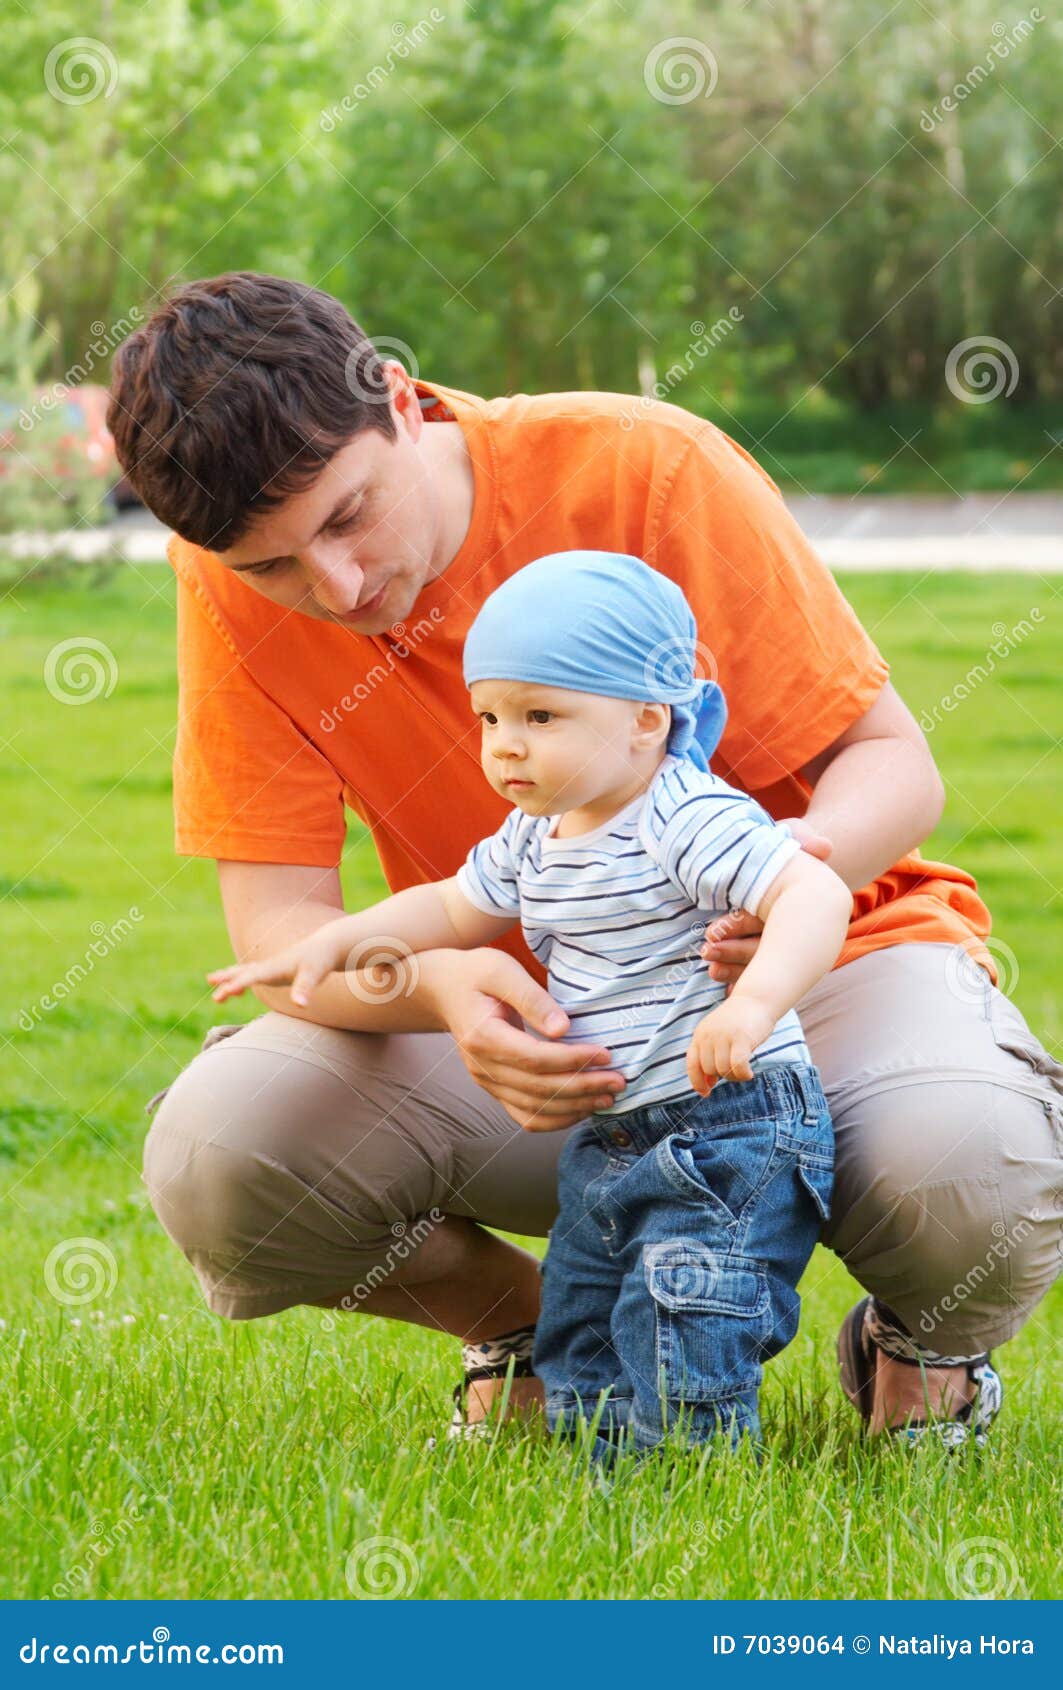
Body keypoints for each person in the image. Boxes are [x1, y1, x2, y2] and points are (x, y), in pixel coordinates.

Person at [106, 272, 1063, 1447]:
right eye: (272, 568)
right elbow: (281, 935)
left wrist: (787, 878)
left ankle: (921, 1352)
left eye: (347, 517)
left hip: (819, 976)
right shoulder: (221, 585)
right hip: (545, 1032)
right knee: (224, 1153)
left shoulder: (643, 468)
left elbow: (895, 766)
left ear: (400, 403)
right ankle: (546, 1334)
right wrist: (440, 986)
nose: (335, 589)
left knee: (973, 1165)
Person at [206, 551, 851, 1455]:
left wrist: (752, 1005)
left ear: (643, 719)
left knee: (687, 1307)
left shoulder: (683, 813)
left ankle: (691, 1479)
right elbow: (445, 909)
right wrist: (331, 940)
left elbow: (814, 895)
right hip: (615, 1130)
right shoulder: (535, 835)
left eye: (540, 716)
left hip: (730, 1125)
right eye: (490, 716)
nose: (504, 743)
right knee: (584, 1308)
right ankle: (599, 1462)